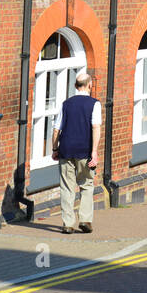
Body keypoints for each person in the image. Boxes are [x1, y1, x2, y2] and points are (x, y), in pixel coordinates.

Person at [52, 71, 101, 234]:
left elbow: (56, 129)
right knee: (86, 185)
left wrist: (55, 149)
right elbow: (95, 128)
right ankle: (85, 220)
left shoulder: (66, 104)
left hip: (66, 150)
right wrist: (94, 152)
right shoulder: (94, 104)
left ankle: (68, 223)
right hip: (84, 151)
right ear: (90, 85)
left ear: (75, 86)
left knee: (67, 187)